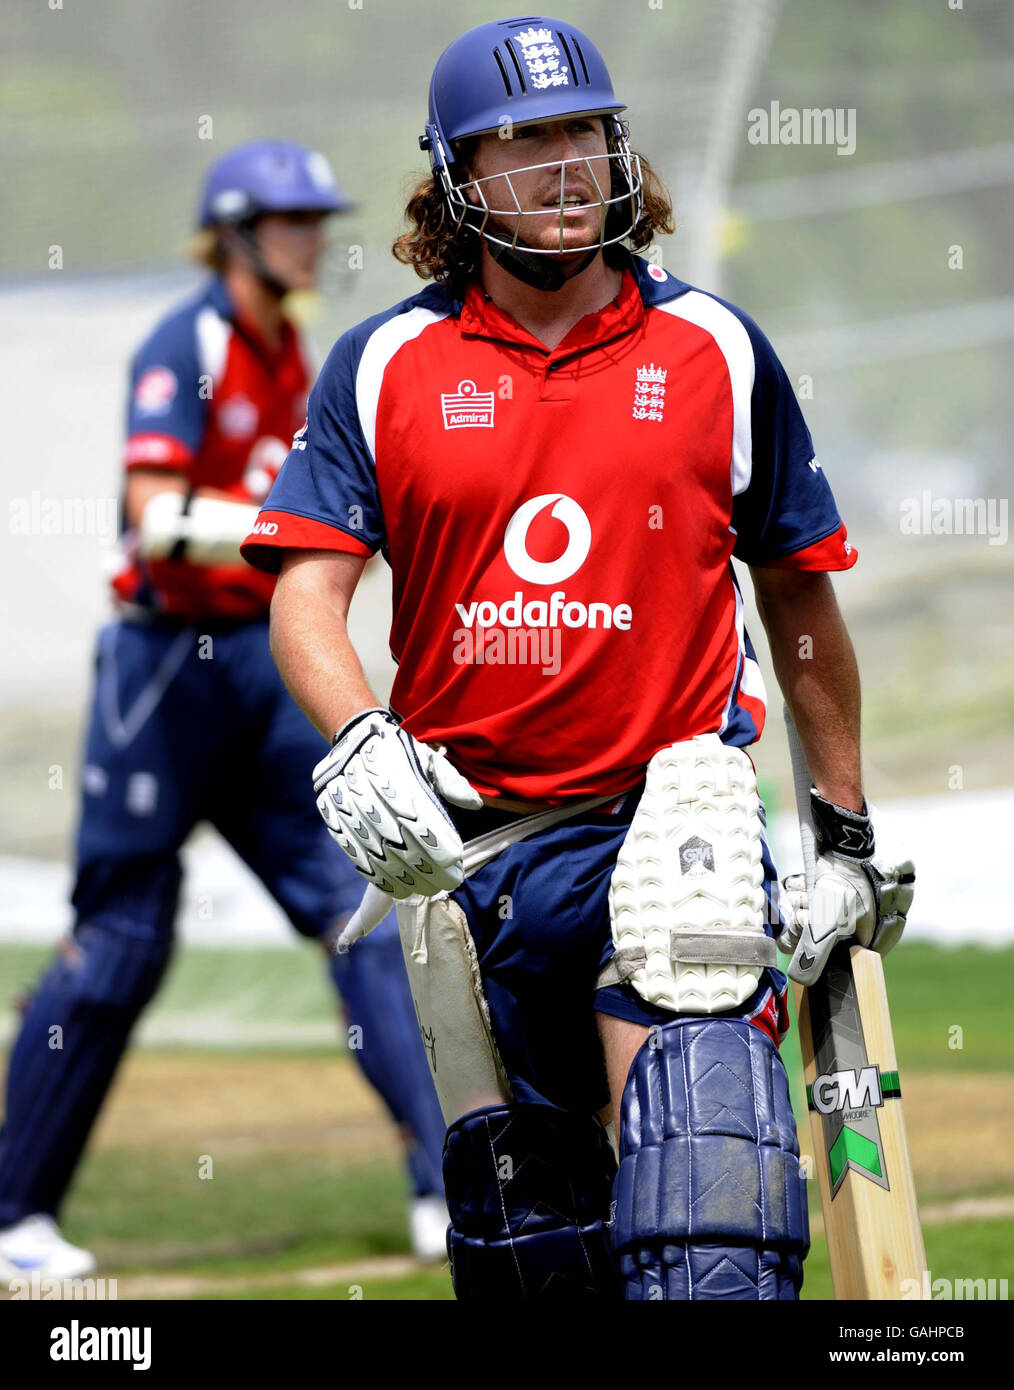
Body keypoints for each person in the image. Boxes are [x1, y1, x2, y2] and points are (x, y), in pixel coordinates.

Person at [242, 18, 915, 1301]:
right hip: (478, 853)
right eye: (525, 140)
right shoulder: (384, 365)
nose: (565, 165)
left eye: (586, 133)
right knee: (537, 1256)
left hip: (676, 821)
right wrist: (356, 735)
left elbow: (801, 598)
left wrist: (844, 829)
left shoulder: (713, 348)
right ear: (453, 176)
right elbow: (304, 598)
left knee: (709, 1236)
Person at [0, 140, 448, 1282]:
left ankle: (447, 1187)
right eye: (290, 218)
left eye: (317, 217)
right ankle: (15, 1211)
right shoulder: (186, 341)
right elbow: (152, 515)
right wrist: (277, 531)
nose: (312, 235)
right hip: (166, 670)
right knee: (121, 943)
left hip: (261, 660)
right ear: (237, 230)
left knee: (369, 907)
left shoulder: (296, 350)